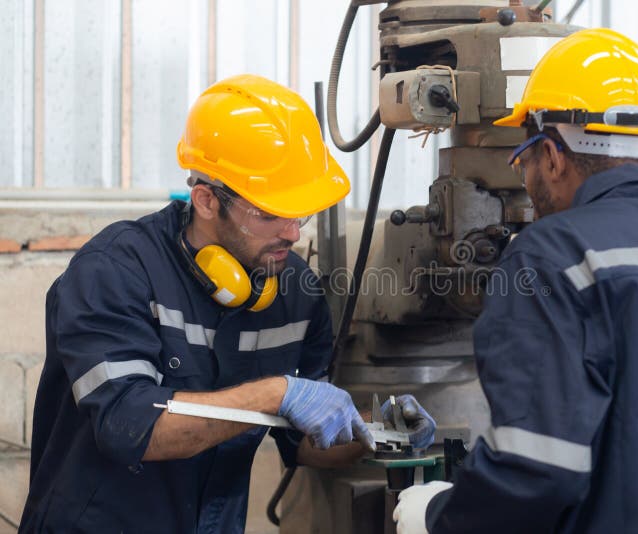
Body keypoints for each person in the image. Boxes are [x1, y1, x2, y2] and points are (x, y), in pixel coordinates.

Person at [393, 28, 638, 533]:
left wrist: (437, 517)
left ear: (554, 155)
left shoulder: (550, 260)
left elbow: (537, 471)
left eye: (525, 159)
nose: (526, 181)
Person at [20, 74, 435, 533]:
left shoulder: (295, 292)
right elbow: (127, 425)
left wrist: (375, 431)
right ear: (205, 200)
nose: (293, 233)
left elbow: (301, 444)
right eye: (269, 214)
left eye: (301, 213)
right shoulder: (114, 271)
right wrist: (278, 394)